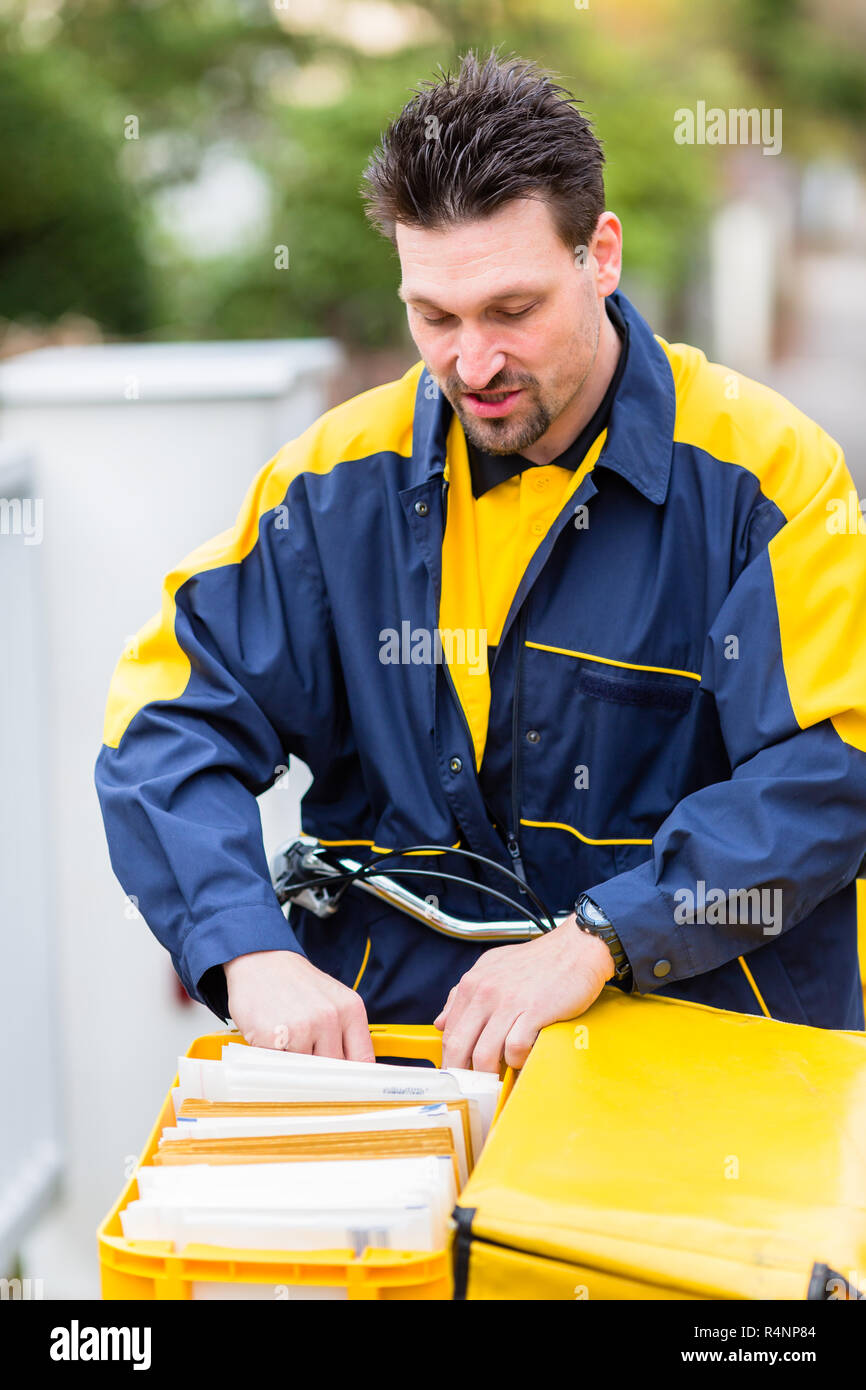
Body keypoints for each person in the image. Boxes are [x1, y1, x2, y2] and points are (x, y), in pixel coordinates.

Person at [94, 49, 866, 1073]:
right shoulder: (328, 484)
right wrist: (242, 946)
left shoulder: (769, 477)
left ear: (600, 254)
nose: (472, 362)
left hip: (706, 1062)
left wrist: (604, 935)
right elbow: (167, 724)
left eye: (511, 309)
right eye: (434, 317)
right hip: (408, 1063)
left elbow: (829, 771)